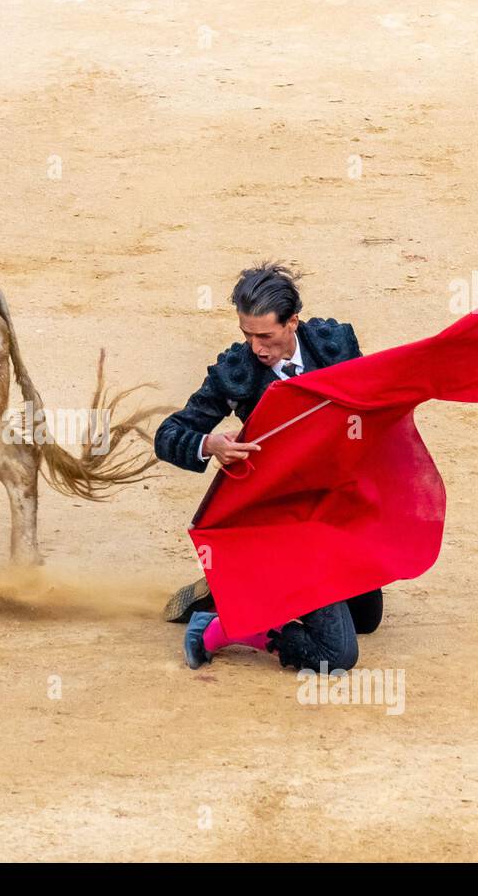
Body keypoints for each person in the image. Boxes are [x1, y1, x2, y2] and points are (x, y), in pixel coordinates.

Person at [154, 263, 383, 671]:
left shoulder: (334, 346)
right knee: (336, 654)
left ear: (292, 321)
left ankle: (245, 587)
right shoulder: (237, 372)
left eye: (266, 335)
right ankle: (224, 627)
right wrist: (210, 443)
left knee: (366, 619)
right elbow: (168, 435)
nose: (257, 347)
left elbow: (371, 403)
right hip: (287, 518)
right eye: (247, 334)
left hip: (337, 507)